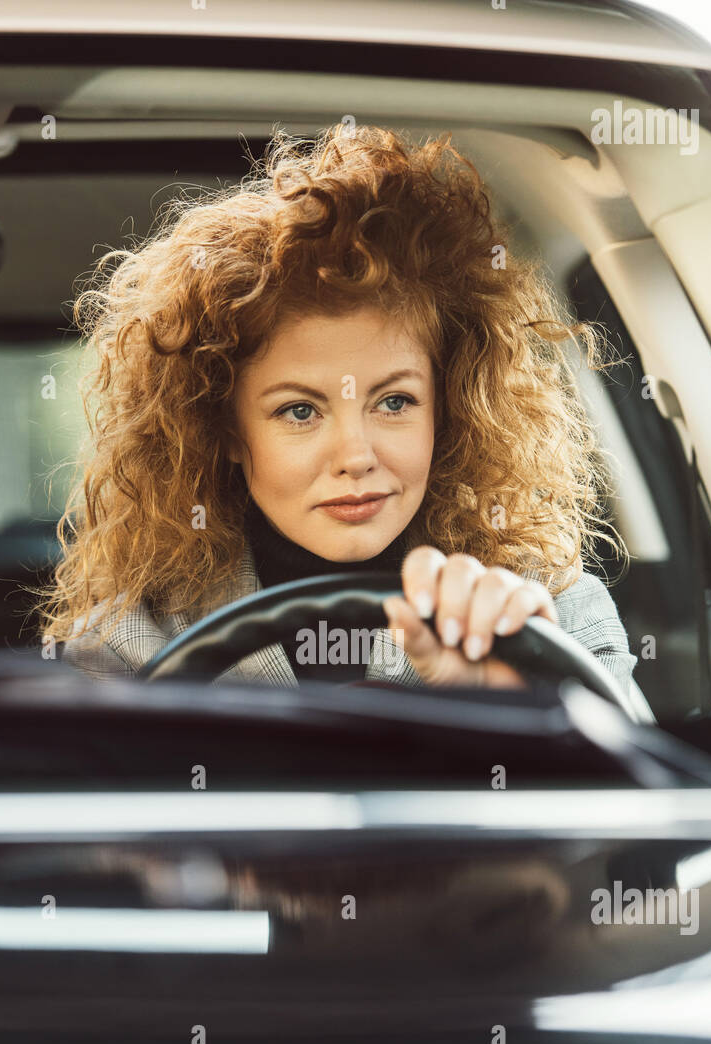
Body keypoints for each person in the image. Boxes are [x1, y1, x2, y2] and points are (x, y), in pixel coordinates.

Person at [40, 125, 636, 696]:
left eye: (395, 401)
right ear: (222, 428)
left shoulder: (542, 607)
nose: (356, 457)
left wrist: (516, 704)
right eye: (299, 411)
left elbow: (640, 792)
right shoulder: (134, 638)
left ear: (448, 410)